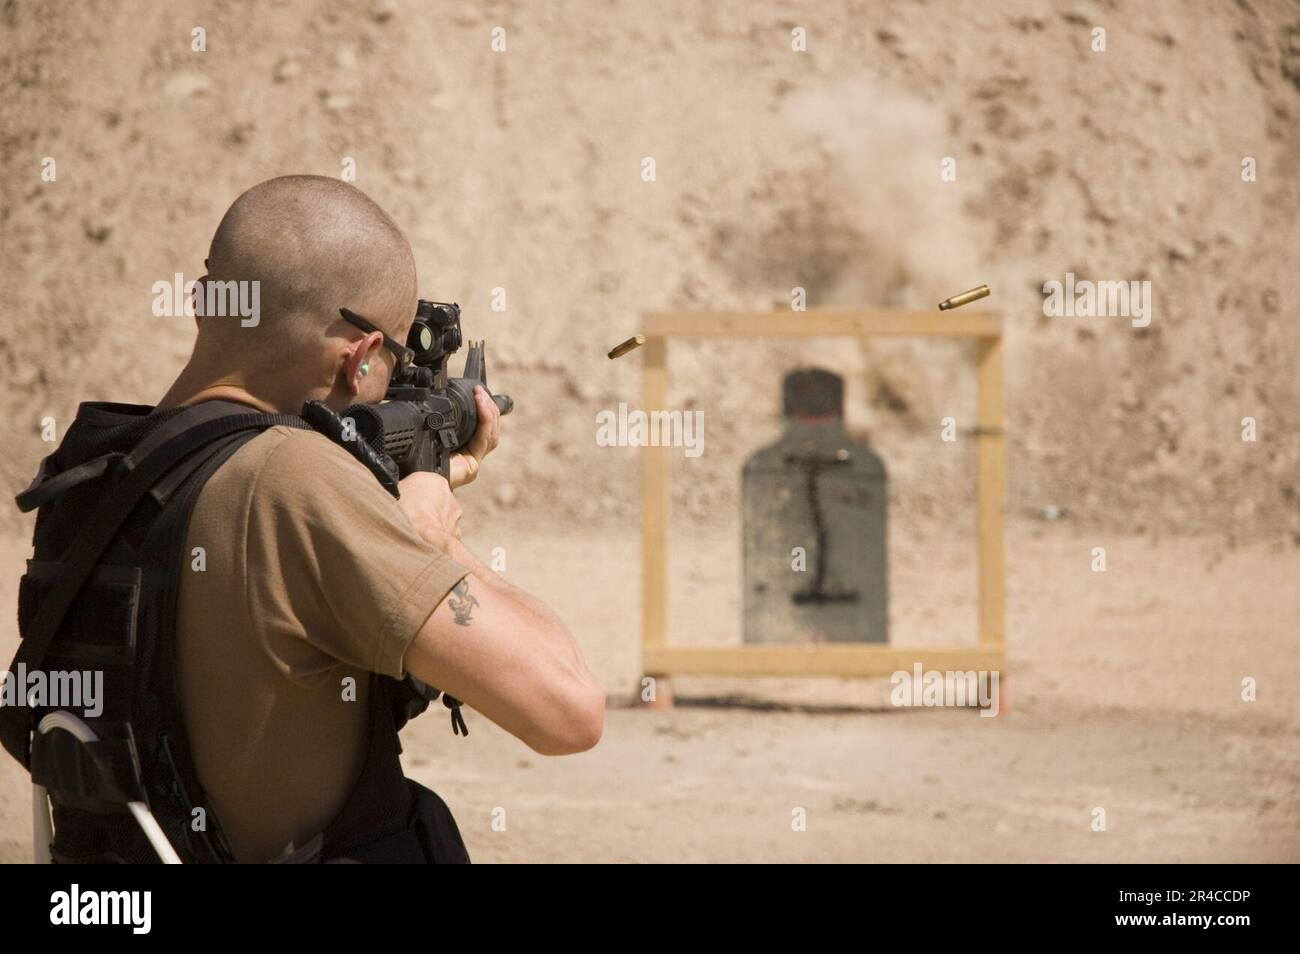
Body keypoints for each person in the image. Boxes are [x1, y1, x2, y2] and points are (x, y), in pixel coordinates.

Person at [7, 175, 604, 863]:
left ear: (205, 303)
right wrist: (434, 537)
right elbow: (569, 711)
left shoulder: (91, 472)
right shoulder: (295, 480)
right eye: (395, 364)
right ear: (358, 356)